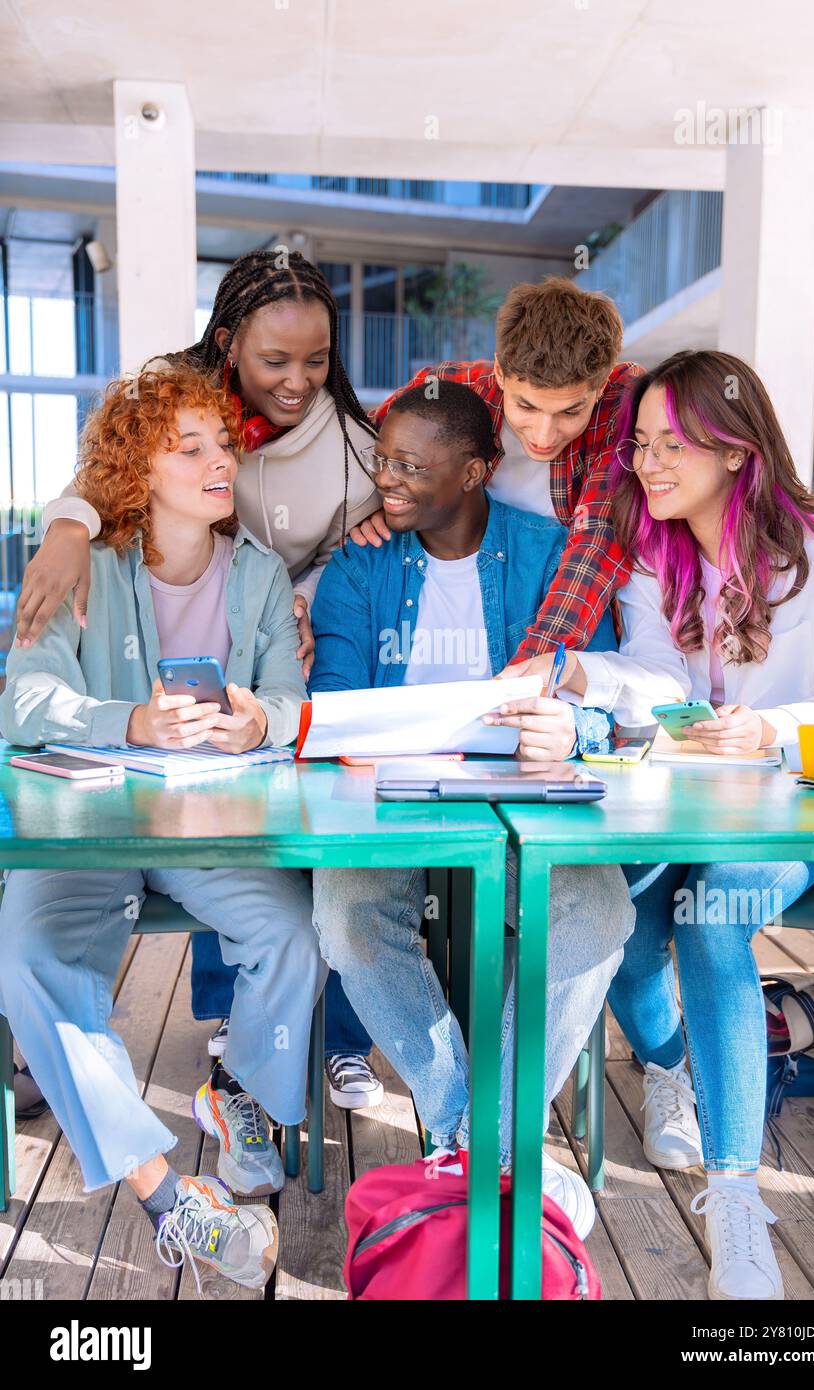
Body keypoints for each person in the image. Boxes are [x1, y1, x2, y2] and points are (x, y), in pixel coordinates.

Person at [507, 349, 814, 1300]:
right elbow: (658, 677)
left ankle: (739, 1203)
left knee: (710, 920)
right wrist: (582, 672)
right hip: (681, 803)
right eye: (642, 444)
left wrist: (768, 730)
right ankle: (674, 1066)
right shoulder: (654, 553)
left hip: (784, 816)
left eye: (672, 444)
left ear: (737, 451)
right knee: (606, 908)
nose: (648, 463)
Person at [14, 248, 383, 1110]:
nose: (297, 381)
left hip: (248, 683)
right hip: (108, 798)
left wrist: (296, 621)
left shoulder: (335, 459)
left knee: (284, 912)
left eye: (317, 360)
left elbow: (335, 586)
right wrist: (68, 525)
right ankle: (118, 1102)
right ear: (228, 346)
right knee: (40, 938)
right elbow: (28, 699)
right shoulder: (155, 448)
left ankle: (254, 1082)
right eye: (274, 360)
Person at [0, 364, 330, 1291]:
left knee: (292, 936)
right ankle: (164, 1195)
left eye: (222, 443)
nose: (220, 460)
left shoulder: (260, 573)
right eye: (190, 449)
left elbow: (283, 695)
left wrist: (256, 720)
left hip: (208, 823)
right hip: (86, 825)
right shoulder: (83, 563)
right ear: (137, 471)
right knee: (23, 958)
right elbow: (21, 700)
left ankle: (242, 1100)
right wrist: (130, 722)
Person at [310, 380, 635, 1239]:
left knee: (598, 908)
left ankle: (466, 1143)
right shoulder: (360, 565)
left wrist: (568, 724)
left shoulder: (545, 554)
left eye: (413, 465)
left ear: (478, 471)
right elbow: (333, 700)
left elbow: (597, 695)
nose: (388, 478)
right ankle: (482, 1140)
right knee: (345, 913)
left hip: (523, 793)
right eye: (383, 460)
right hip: (389, 796)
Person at [351, 276, 643, 662]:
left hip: (572, 622)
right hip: (449, 605)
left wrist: (533, 667)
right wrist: (367, 505)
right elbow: (360, 449)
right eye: (527, 407)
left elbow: (595, 545)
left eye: (571, 411)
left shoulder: (622, 403)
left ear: (600, 384)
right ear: (501, 373)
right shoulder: (451, 388)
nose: (544, 434)